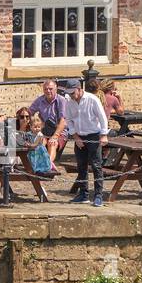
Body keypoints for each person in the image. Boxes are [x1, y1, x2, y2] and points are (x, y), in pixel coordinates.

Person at [65, 78, 108, 206]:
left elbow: (102, 117)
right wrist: (76, 136)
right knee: (81, 165)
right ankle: (83, 193)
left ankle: (98, 195)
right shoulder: (70, 102)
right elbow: (69, 120)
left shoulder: (92, 99)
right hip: (80, 136)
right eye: (70, 93)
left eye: (73, 93)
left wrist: (104, 134)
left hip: (93, 135)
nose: (71, 95)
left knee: (96, 165)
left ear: (79, 89)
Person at [29, 80, 68, 169]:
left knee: (52, 143)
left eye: (50, 89)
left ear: (56, 89)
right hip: (45, 130)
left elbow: (63, 121)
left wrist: (55, 136)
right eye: (46, 89)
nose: (48, 91)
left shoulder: (61, 101)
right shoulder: (40, 100)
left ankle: (48, 164)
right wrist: (35, 122)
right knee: (40, 142)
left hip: (59, 131)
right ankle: (38, 163)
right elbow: (29, 112)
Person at [13, 107, 54, 175]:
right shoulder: (15, 130)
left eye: (27, 117)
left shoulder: (34, 131)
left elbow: (40, 142)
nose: (25, 119)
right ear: (18, 118)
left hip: (31, 155)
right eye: (22, 117)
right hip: (19, 155)